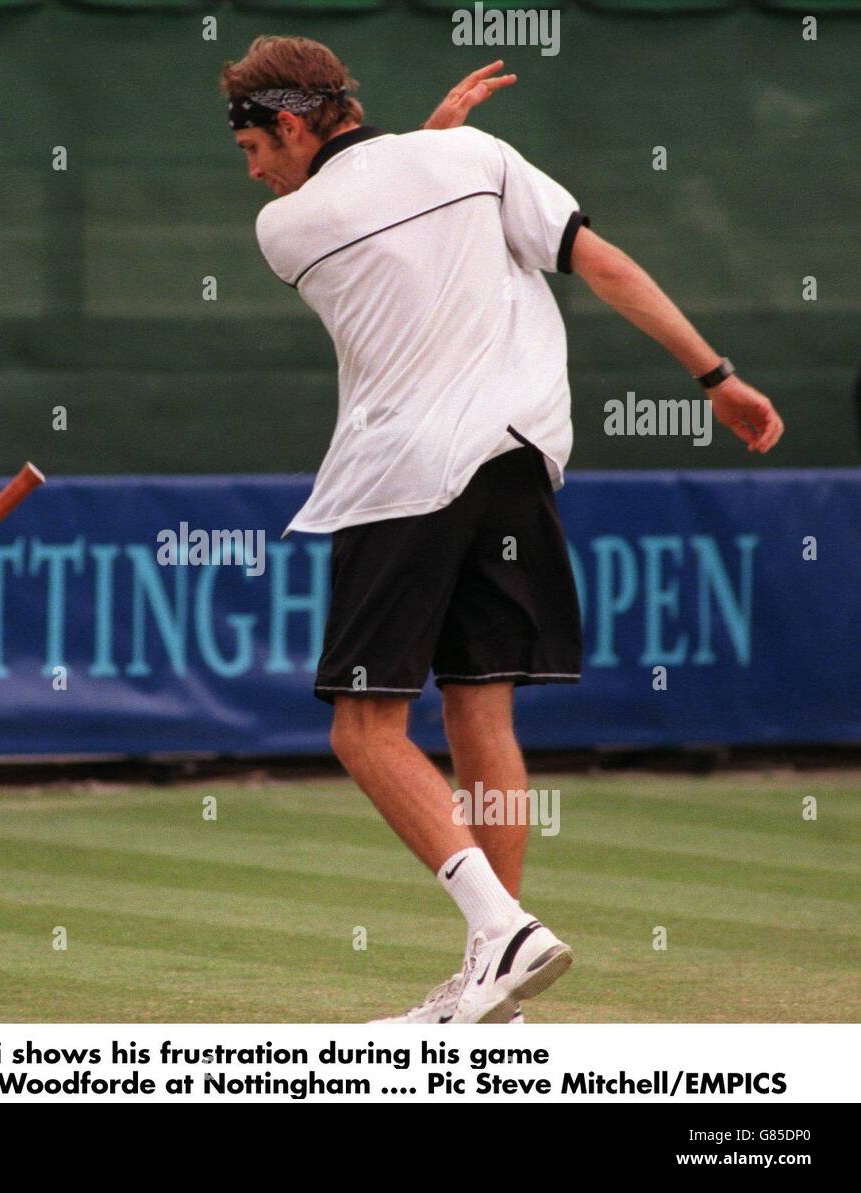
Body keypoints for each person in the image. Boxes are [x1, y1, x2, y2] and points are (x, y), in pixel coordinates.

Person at [221, 36, 784, 1024]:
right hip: (520, 461)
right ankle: (500, 980)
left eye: (253, 147)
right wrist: (713, 377)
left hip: (403, 476)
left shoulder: (290, 225)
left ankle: (502, 929)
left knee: (363, 728)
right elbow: (600, 263)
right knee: (482, 715)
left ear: (293, 123)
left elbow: (379, 205)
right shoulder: (480, 162)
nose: (255, 170)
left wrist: (430, 141)